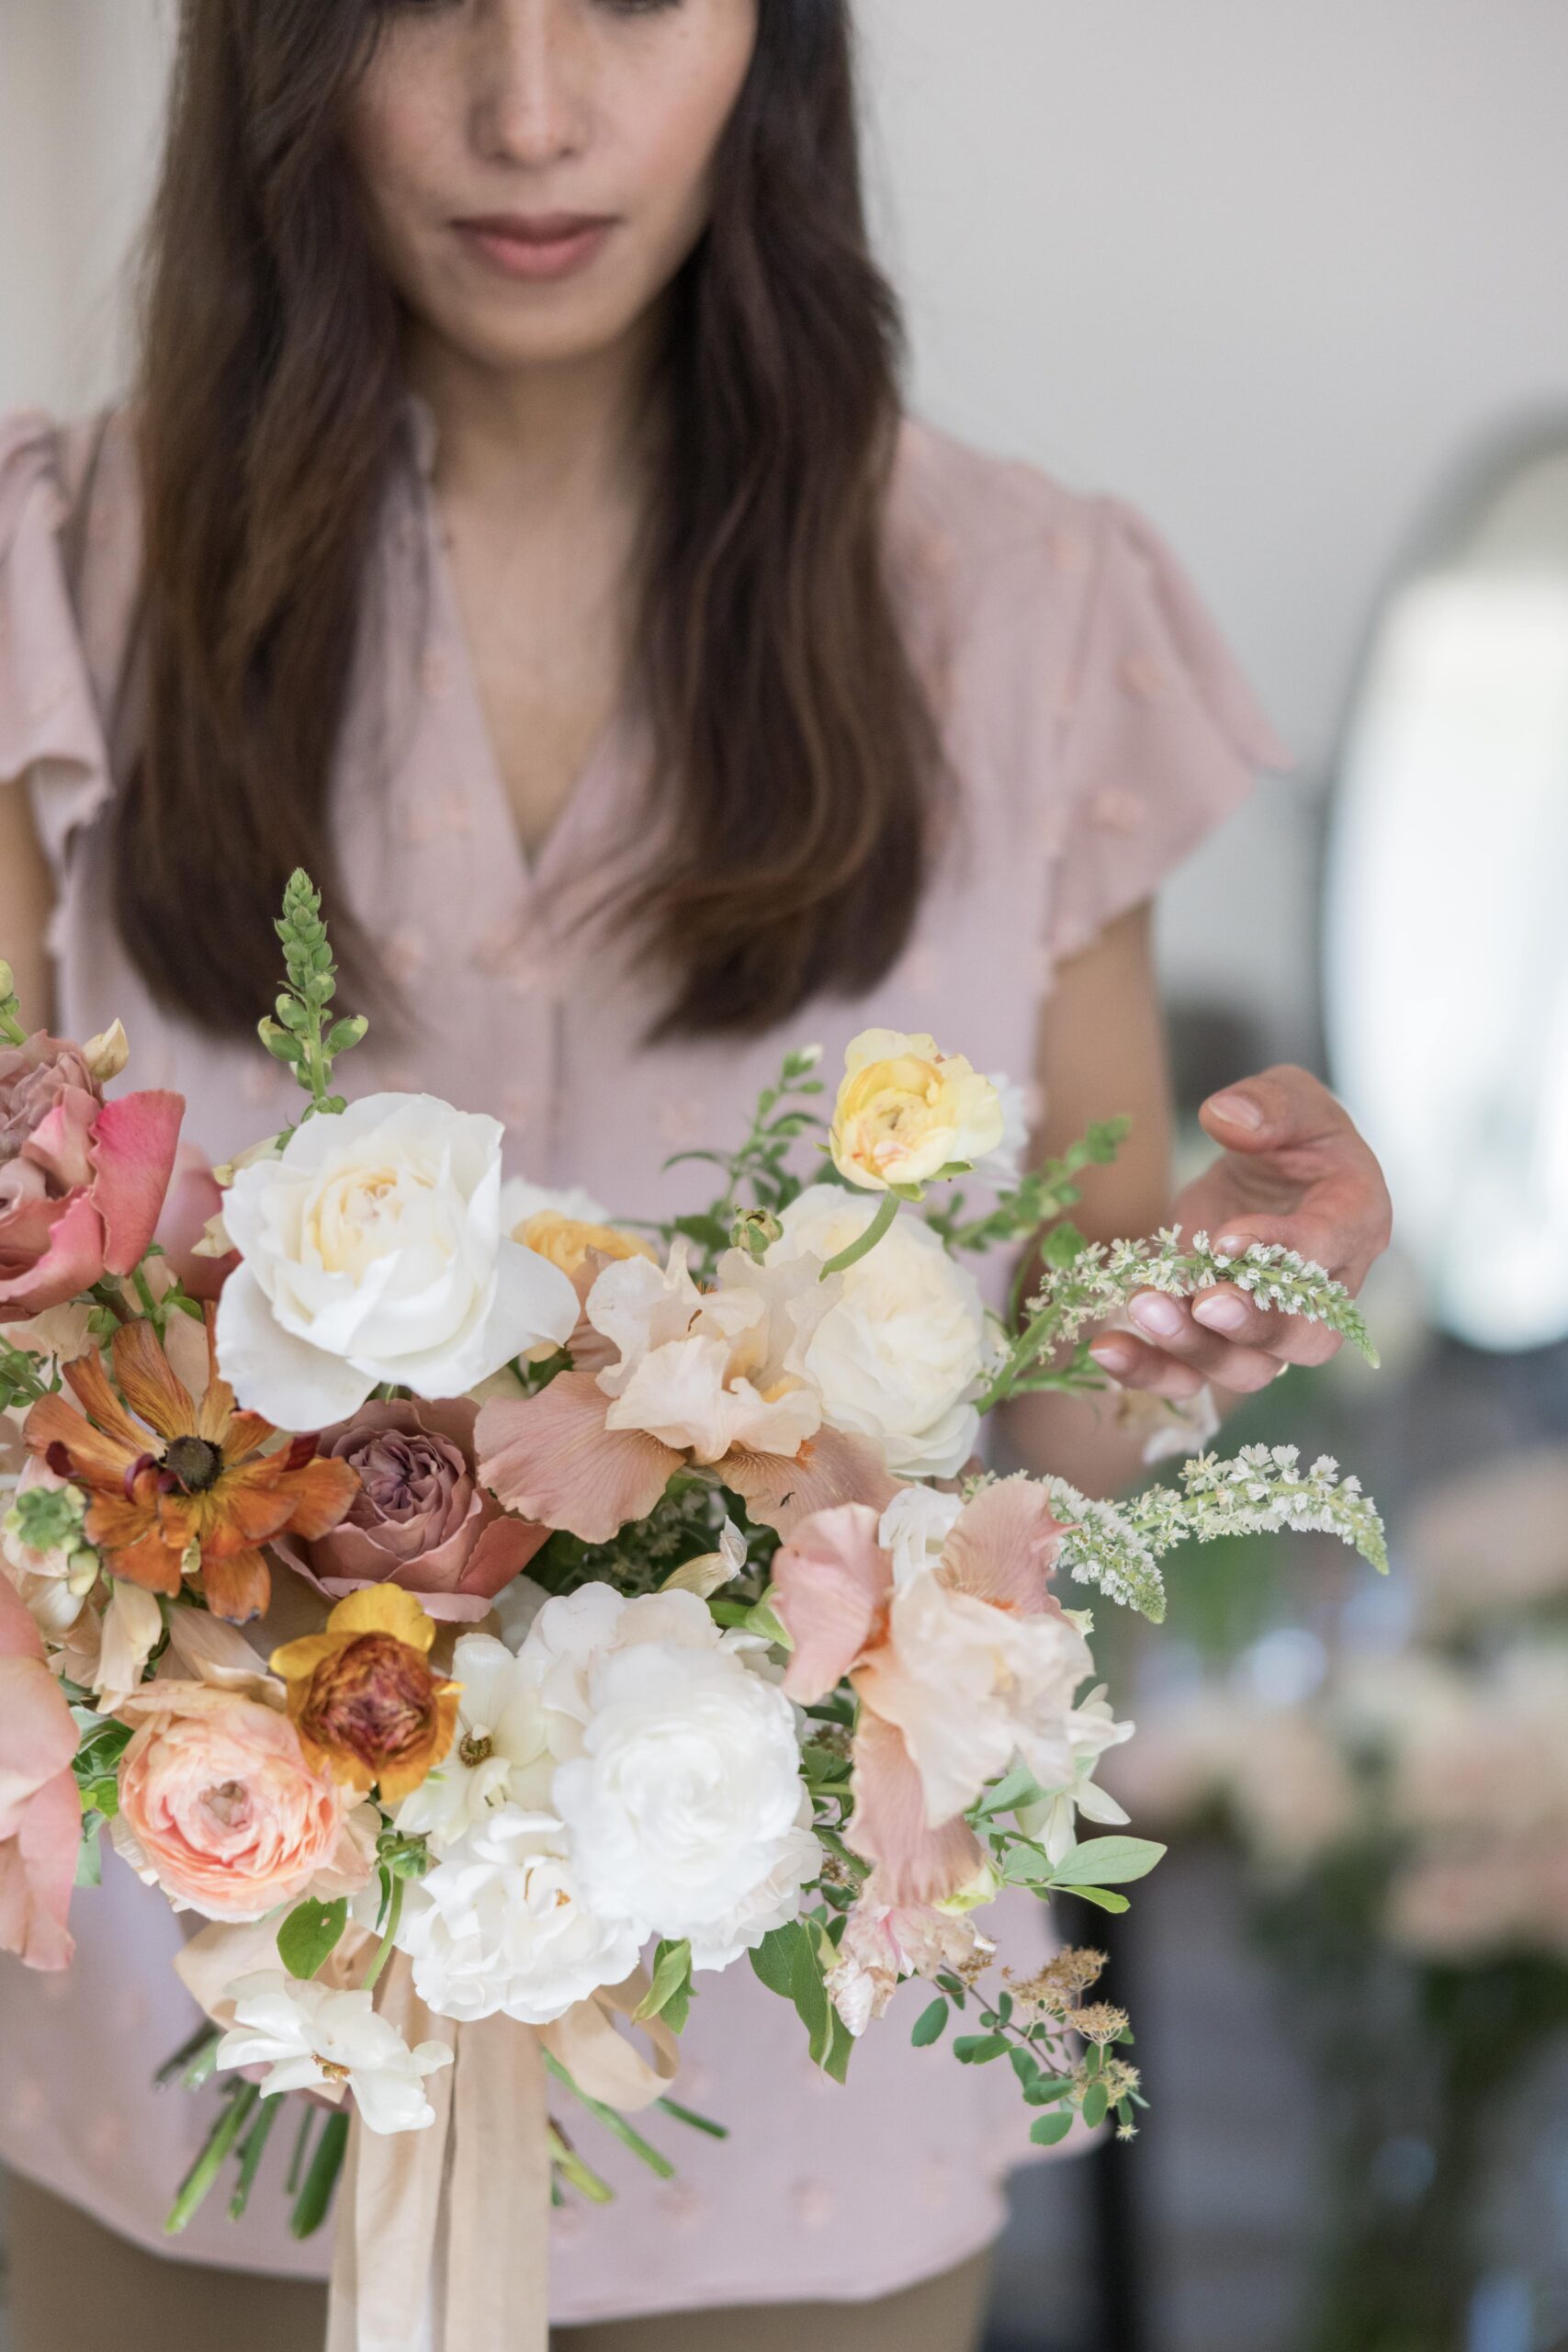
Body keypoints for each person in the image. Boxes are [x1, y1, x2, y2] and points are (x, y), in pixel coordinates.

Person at [0, 2, 1393, 2346]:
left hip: (802, 2122)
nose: (530, 109)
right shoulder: (58, 574)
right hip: (187, 2090)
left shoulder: (1029, 617)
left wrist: (1198, 1315)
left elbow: (1054, 1425)